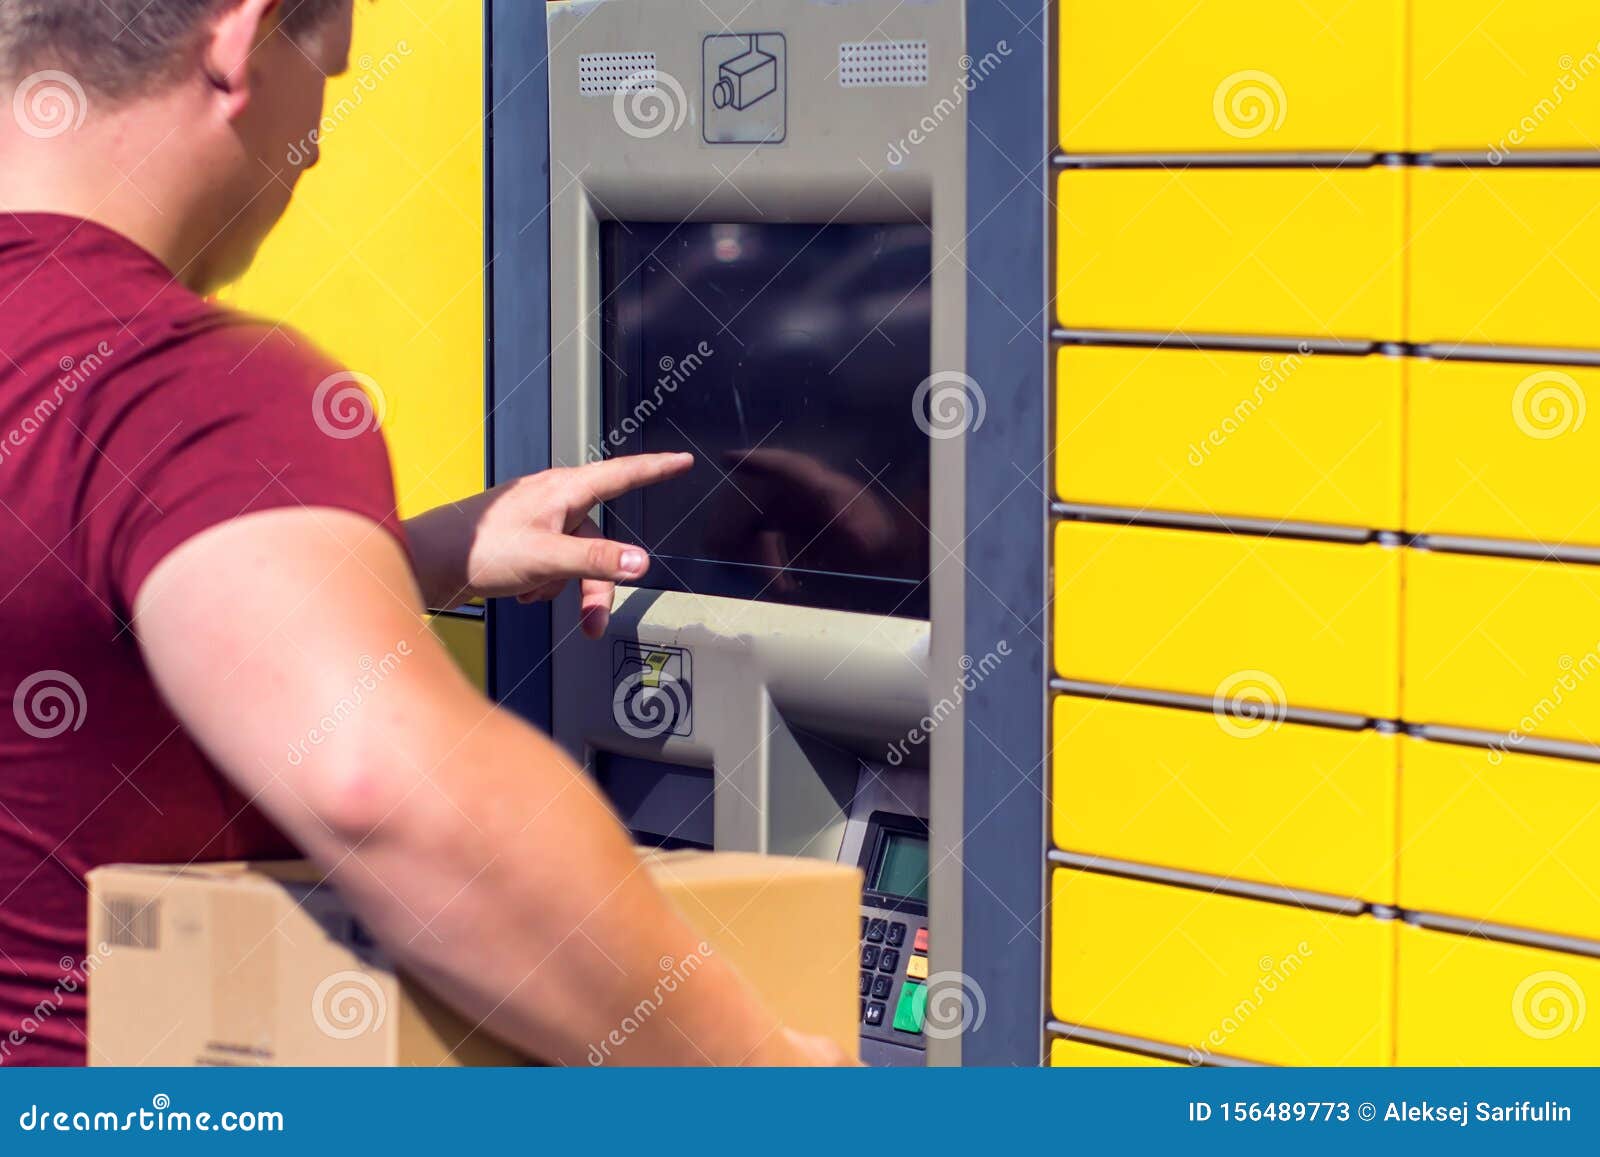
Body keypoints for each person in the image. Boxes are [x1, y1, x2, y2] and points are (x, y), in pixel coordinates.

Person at [0, 0, 847, 1066]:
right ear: (240, 42)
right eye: (331, 75)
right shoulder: (185, 390)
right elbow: (378, 784)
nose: (315, 143)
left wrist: (397, 558)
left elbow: (54, 596)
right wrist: (762, 1074)